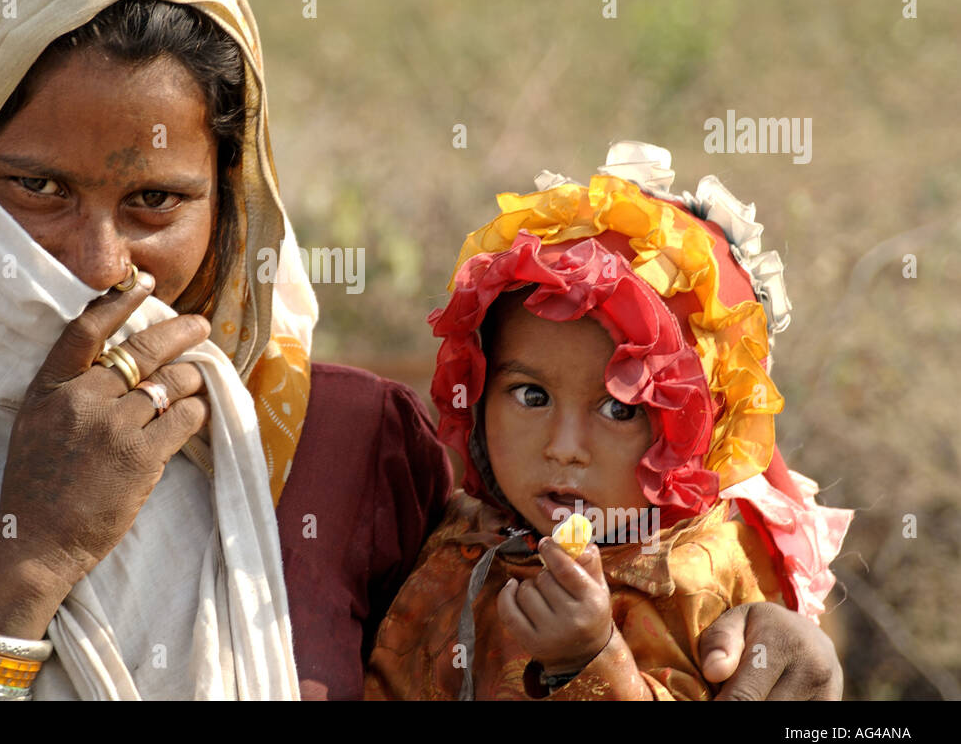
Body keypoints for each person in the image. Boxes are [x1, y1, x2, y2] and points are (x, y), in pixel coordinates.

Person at [0, 0, 843, 700]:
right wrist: (28, 556)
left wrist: (775, 653)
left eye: (155, 204)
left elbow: (590, 592)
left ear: (230, 204)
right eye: (31, 186)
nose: (95, 265)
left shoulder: (346, 442)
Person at [365, 143, 854, 700]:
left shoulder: (701, 580)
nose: (565, 448)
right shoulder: (461, 532)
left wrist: (588, 660)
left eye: (621, 409)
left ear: (699, 431)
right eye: (530, 395)